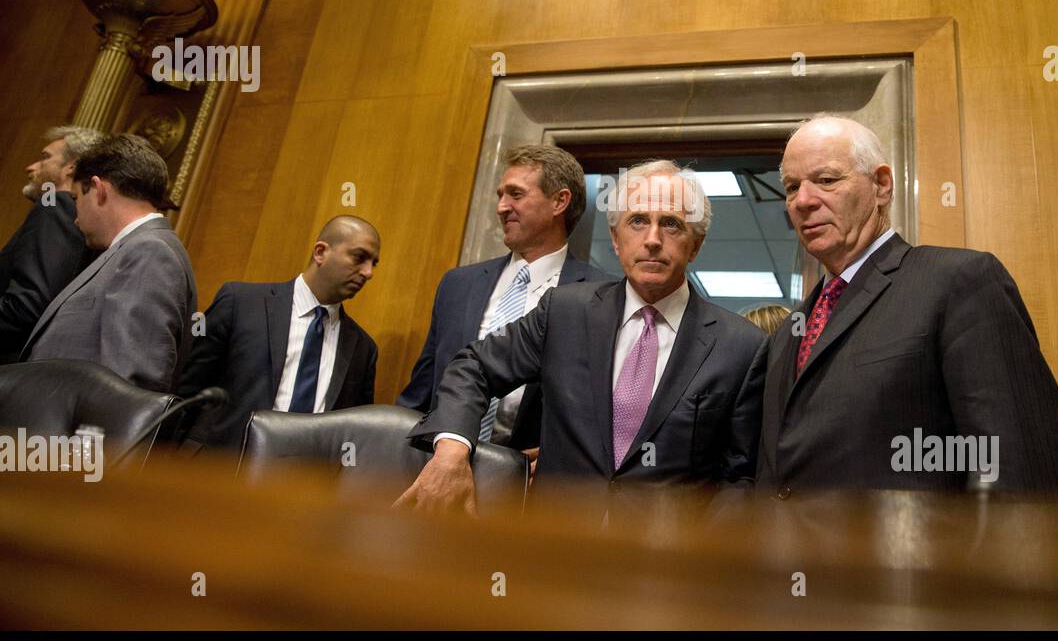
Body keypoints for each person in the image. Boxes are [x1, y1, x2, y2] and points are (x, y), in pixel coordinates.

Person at [395, 160, 767, 515]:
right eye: (638, 221)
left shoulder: (740, 347)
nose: (653, 239)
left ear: (696, 244)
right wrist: (452, 450)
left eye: (671, 224)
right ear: (616, 238)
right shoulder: (564, 312)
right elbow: (474, 366)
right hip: (555, 547)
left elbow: (740, 478)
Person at [757, 114, 1058, 498]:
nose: (803, 201)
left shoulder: (959, 282)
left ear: (882, 186)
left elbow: (1018, 472)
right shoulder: (788, 334)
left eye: (826, 180)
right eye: (792, 187)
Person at [395, 145, 613, 450]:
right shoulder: (458, 285)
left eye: (516, 194)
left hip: (533, 486)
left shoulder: (602, 295)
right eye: (500, 195)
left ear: (559, 201)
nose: (501, 207)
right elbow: (420, 393)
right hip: (438, 471)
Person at [177, 216, 382, 449]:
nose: (368, 272)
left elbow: (352, 431)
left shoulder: (363, 349)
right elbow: (189, 391)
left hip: (299, 480)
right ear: (320, 252)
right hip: (218, 469)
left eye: (374, 263)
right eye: (359, 257)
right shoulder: (241, 303)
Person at [21, 134, 196, 393]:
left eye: (77, 199)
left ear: (99, 189)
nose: (76, 219)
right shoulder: (136, 250)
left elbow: (125, 389)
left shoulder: (150, 253)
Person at [0, 126, 100, 363]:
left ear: (71, 166)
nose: (31, 167)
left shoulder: (56, 205)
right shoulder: (69, 211)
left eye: (45, 157)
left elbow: (28, 305)